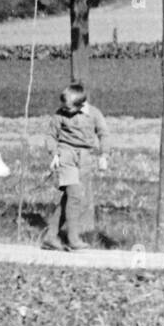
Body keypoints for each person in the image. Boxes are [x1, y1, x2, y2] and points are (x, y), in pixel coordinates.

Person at [42, 82, 109, 251]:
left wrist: (104, 155)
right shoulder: (60, 114)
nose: (65, 111)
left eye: (69, 108)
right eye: (63, 108)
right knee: (75, 196)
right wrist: (54, 154)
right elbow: (51, 135)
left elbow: (103, 134)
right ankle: (73, 239)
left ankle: (50, 237)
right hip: (66, 155)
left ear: (81, 105)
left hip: (85, 159)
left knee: (69, 199)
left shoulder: (94, 114)